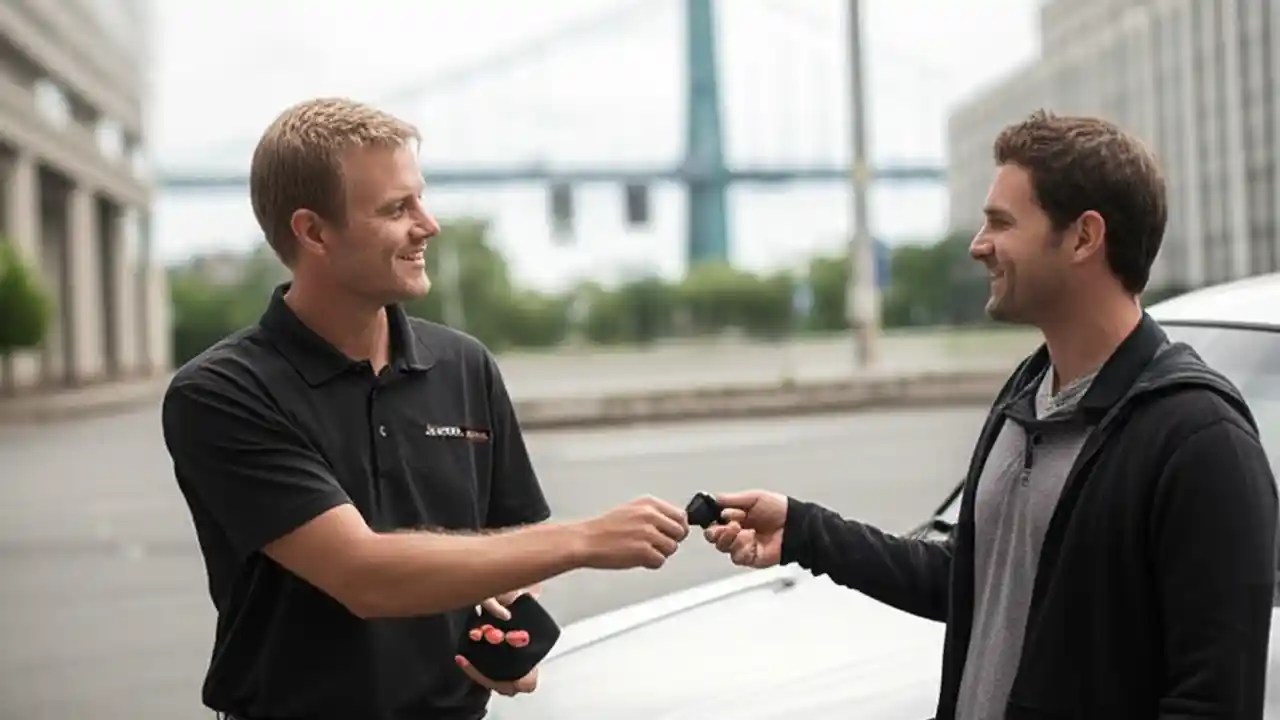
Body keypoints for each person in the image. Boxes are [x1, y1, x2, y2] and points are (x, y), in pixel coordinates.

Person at [703, 110, 1278, 719]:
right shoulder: (1026, 395)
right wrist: (803, 530)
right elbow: (976, 580)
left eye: (1001, 223)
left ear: (1084, 237)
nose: (979, 245)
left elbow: (1211, 704)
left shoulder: (1201, 442)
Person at [160, 97, 691, 720]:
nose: (429, 224)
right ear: (314, 232)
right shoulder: (222, 393)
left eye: (420, 197)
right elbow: (363, 575)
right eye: (396, 208)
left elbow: (507, 544)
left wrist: (506, 618)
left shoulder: (464, 364)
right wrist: (581, 540)